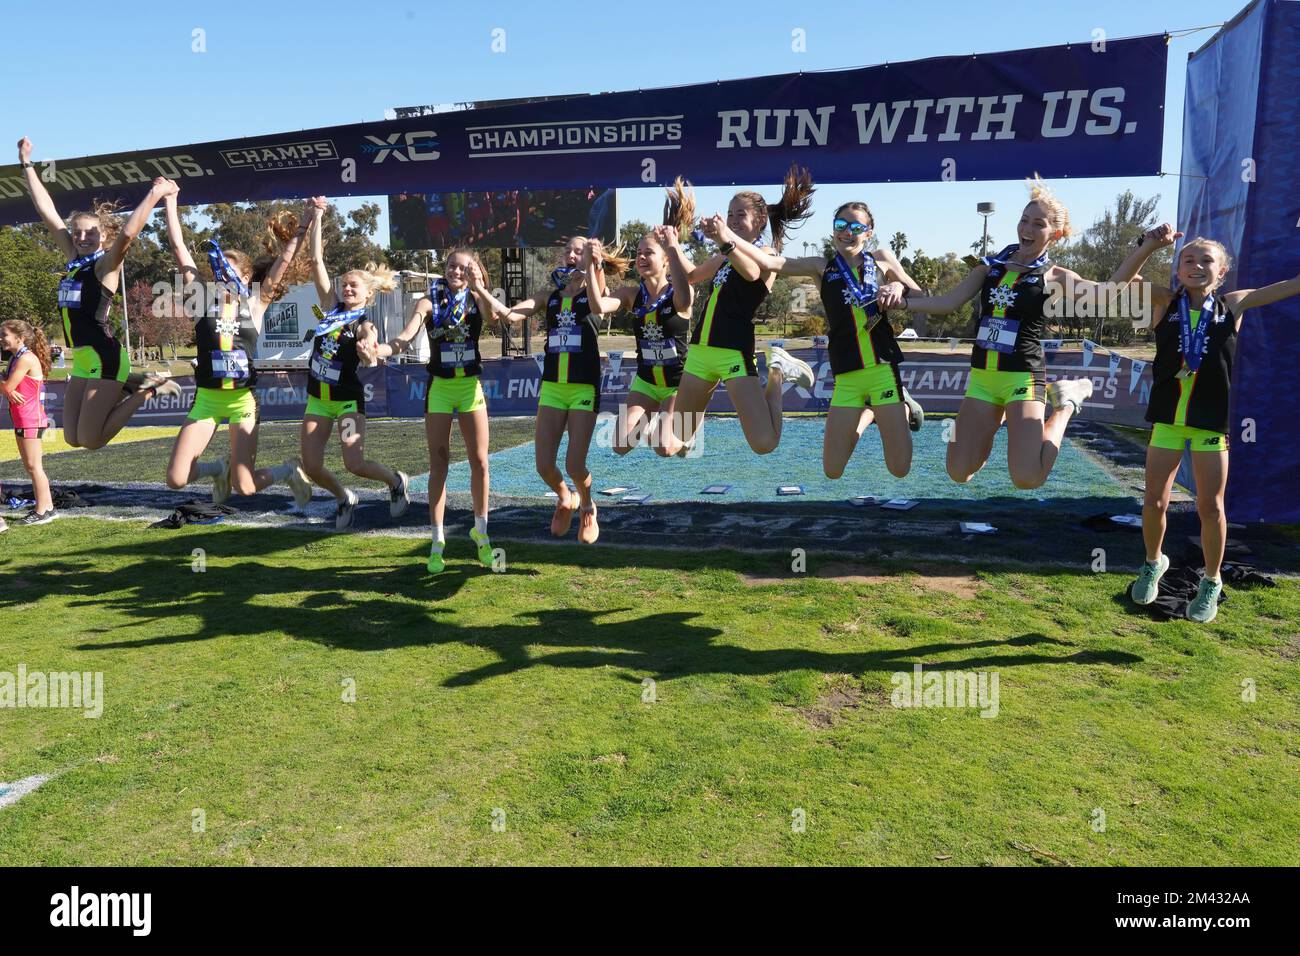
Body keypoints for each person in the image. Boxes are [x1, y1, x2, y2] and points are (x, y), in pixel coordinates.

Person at [1115, 227, 1300, 622]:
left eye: (1206, 261)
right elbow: (1117, 284)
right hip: (1167, 421)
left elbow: (1293, 285)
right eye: (1188, 260)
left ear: (1222, 272)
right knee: (1154, 501)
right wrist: (1149, 245)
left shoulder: (1234, 304)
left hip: (1209, 424)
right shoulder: (1164, 301)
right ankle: (1153, 562)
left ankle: (1212, 581)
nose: (1196, 266)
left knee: (1210, 506)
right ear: (1178, 270)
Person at [883, 177, 1097, 488]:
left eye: (1038, 224)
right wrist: (902, 302)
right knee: (959, 472)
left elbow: (1106, 292)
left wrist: (1146, 248)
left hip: (1022, 379)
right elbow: (948, 302)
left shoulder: (1056, 276)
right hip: (982, 379)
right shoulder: (990, 265)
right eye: (1024, 219)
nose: (1027, 228)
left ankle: (1065, 404)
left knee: (1027, 478)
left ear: (1056, 234)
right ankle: (996, 422)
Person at [730, 200, 926, 479]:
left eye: (856, 227)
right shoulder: (821, 266)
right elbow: (768, 261)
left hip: (882, 371)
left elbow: (918, 295)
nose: (848, 232)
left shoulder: (881, 258)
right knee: (832, 470)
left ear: (868, 232)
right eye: (841, 225)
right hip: (846, 376)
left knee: (899, 469)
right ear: (833, 230)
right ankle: (870, 412)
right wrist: (726, 238)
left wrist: (898, 285)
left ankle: (902, 405)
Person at [17, 138, 180, 449]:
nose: (82, 237)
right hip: (81, 358)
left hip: (105, 355)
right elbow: (47, 212)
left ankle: (147, 389)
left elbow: (129, 234)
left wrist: (155, 193)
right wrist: (27, 164)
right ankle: (132, 383)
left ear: (103, 235)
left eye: (91, 233)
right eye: (77, 232)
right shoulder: (75, 261)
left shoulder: (105, 265)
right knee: (71, 438)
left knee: (91, 441)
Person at [160, 184, 312, 508]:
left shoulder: (256, 304)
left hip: (242, 401)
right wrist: (171, 201)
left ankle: (288, 470)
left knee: (245, 487)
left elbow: (283, 262)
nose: (223, 277)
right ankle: (218, 468)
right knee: (176, 478)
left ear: (246, 278)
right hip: (207, 401)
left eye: (232, 272)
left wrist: (305, 225)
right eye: (219, 271)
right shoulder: (201, 301)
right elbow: (178, 247)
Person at [371, 248, 501, 573]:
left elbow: (495, 317)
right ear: (445, 270)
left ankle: (481, 533)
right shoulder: (429, 300)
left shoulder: (476, 297)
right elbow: (407, 333)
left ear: (474, 271)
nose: (457, 272)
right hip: (440, 389)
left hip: (470, 388)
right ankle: (437, 540)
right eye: (452, 267)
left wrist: (479, 286)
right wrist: (384, 348)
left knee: (480, 462)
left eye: (464, 267)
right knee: (439, 463)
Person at [673, 168, 818, 456]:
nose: (733, 220)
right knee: (678, 439)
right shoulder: (723, 255)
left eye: (740, 214)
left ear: (759, 220)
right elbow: (690, 276)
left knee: (764, 444)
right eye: (730, 214)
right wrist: (671, 245)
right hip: (701, 350)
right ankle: (703, 397)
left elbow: (752, 272)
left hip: (733, 353)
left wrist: (725, 240)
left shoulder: (770, 254)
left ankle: (778, 371)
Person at [489, 236, 624, 542]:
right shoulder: (549, 294)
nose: (571, 255)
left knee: (575, 464)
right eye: (568, 251)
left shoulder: (594, 290)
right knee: (544, 466)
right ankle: (566, 497)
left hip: (582, 387)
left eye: (579, 251)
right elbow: (511, 314)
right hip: (552, 387)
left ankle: (588, 505)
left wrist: (595, 262)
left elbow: (600, 301)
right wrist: (482, 291)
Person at [300, 197, 410, 531]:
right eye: (344, 283)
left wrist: (367, 350)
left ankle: (396, 481)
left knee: (354, 461)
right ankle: (344, 498)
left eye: (354, 285)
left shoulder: (364, 322)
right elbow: (316, 259)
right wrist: (317, 215)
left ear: (367, 296)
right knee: (312, 465)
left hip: (347, 401)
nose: (347, 288)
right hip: (318, 400)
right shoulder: (329, 307)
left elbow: (370, 342)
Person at [606, 224, 694, 457]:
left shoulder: (680, 292)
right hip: (647, 382)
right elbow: (599, 306)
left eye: (649, 252)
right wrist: (593, 268)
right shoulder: (630, 294)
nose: (642, 257)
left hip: (678, 382)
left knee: (664, 448)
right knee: (619, 444)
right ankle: (666, 423)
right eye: (638, 253)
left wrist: (673, 247)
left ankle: (688, 431)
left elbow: (684, 300)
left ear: (666, 259)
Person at [0, 319, 54, 524]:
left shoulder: (26, 358)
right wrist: (5, 386)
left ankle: (42, 511)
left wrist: (5, 386)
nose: (1, 339)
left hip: (30, 419)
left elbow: (7, 388)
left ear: (19, 338)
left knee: (33, 466)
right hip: (25, 418)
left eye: (4, 334)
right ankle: (47, 507)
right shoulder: (17, 358)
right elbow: (7, 388)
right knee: (32, 466)